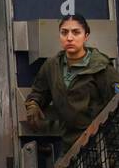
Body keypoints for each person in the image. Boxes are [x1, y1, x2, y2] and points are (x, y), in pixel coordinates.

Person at [25, 14, 119, 152]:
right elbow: (39, 91)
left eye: (76, 32)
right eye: (64, 32)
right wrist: (33, 104)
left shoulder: (101, 67)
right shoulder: (52, 66)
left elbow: (116, 104)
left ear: (86, 36)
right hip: (69, 144)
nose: (69, 38)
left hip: (98, 142)